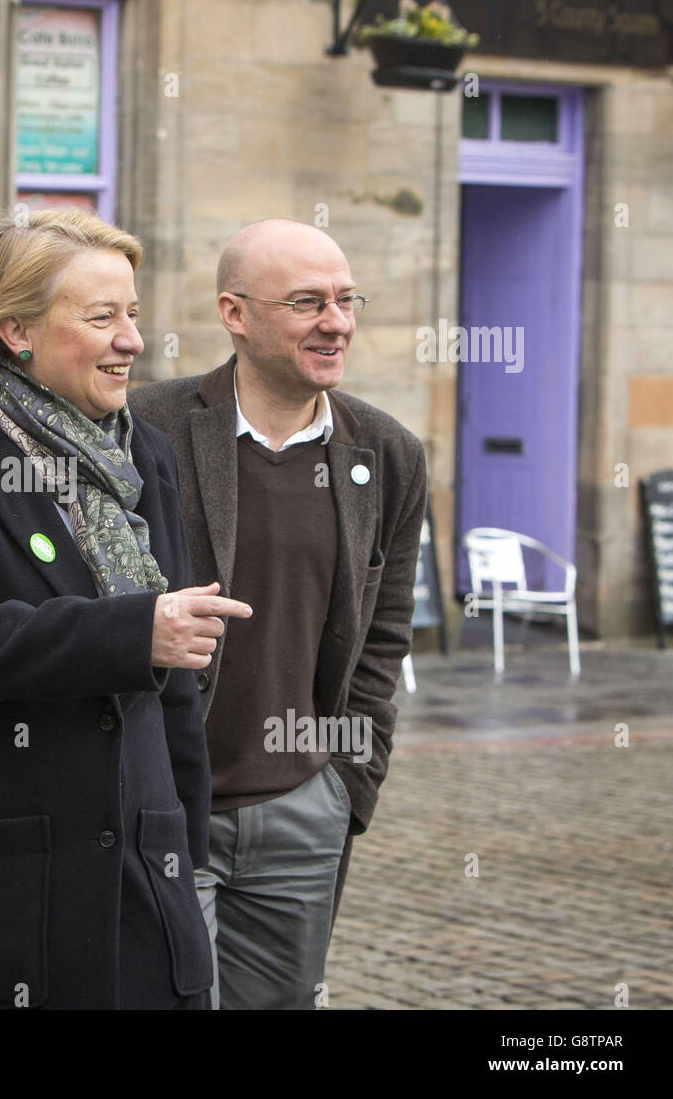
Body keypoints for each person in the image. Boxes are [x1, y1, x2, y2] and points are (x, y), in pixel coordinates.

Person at [0, 209, 250, 1009]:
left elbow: (175, 679)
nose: (131, 340)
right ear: (16, 330)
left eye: (132, 314)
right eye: (101, 318)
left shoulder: (143, 455)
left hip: (137, 855)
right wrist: (136, 630)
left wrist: (182, 837)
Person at [129, 219, 426, 1010]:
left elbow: (384, 635)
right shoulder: (141, 427)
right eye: (306, 303)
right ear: (235, 313)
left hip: (302, 809)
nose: (336, 322)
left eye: (344, 300)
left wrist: (346, 784)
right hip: (163, 808)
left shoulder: (387, 452)